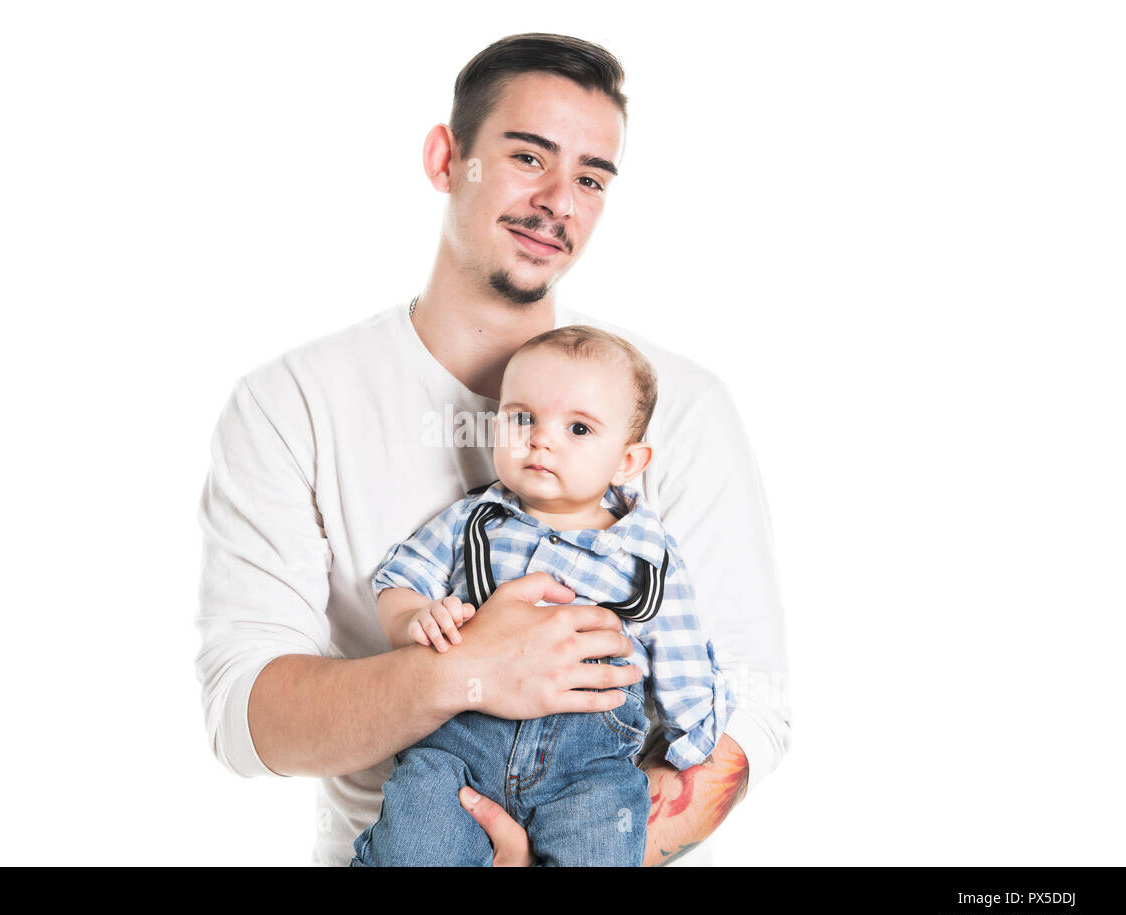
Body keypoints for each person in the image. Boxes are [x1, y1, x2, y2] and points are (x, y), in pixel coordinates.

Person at [194, 32, 790, 867]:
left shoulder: (680, 411)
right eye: (527, 157)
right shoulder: (292, 402)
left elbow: (751, 712)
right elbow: (243, 714)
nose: (560, 201)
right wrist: (464, 673)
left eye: (590, 177)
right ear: (447, 158)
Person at [350, 326, 733, 866]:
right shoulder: (473, 521)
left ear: (627, 462)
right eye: (521, 418)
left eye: (578, 427)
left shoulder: (649, 556)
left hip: (588, 768)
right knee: (414, 846)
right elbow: (400, 577)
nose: (541, 439)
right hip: (458, 750)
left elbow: (681, 651)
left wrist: (693, 731)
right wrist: (416, 616)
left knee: (601, 846)